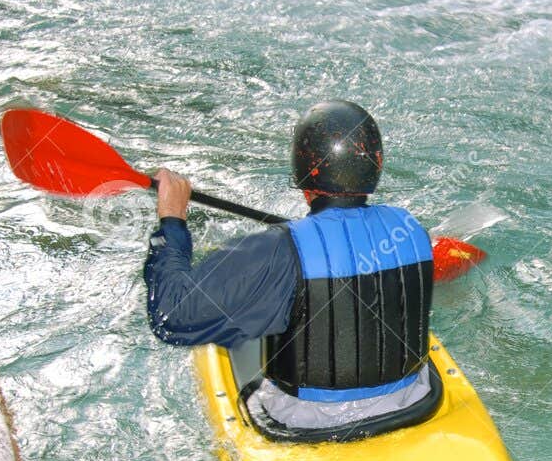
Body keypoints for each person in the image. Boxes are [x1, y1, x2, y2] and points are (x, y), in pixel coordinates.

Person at [143, 100, 437, 438]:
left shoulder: (276, 250)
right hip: (411, 402)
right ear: (375, 164)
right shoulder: (412, 230)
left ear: (302, 171)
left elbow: (171, 317)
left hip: (310, 422)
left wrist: (172, 221)